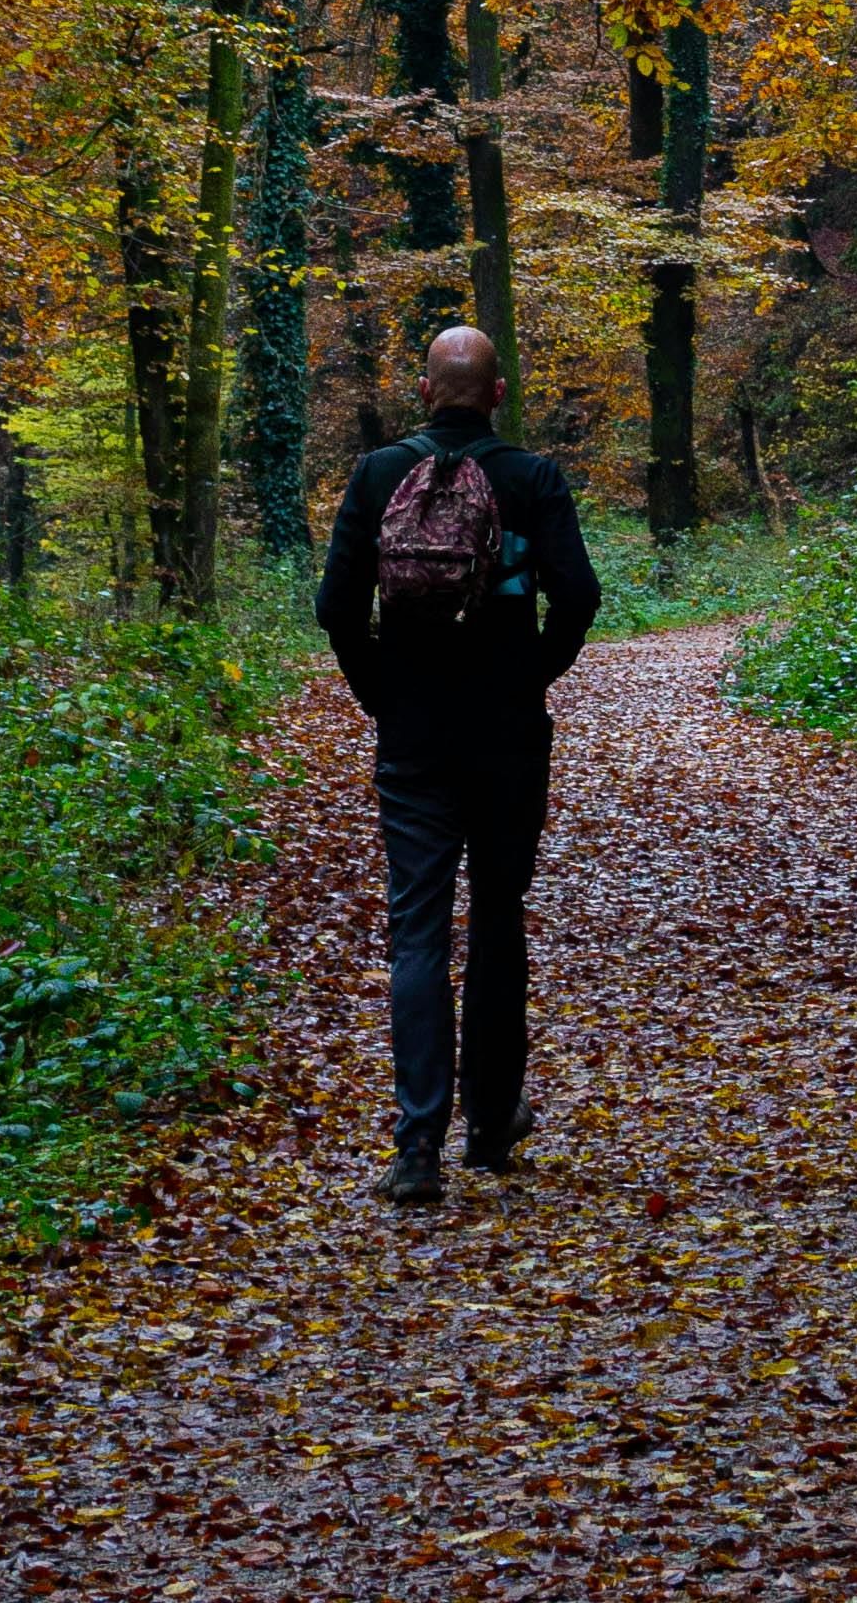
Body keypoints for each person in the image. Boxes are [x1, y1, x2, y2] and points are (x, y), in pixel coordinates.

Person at [316, 322, 601, 1206]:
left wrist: (382, 695)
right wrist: (529, 677)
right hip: (507, 736)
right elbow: (580, 599)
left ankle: (416, 1148)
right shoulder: (532, 478)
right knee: (498, 919)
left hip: (413, 739)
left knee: (417, 931)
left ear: (425, 389)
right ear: (498, 393)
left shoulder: (374, 474)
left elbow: (335, 608)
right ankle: (489, 1121)